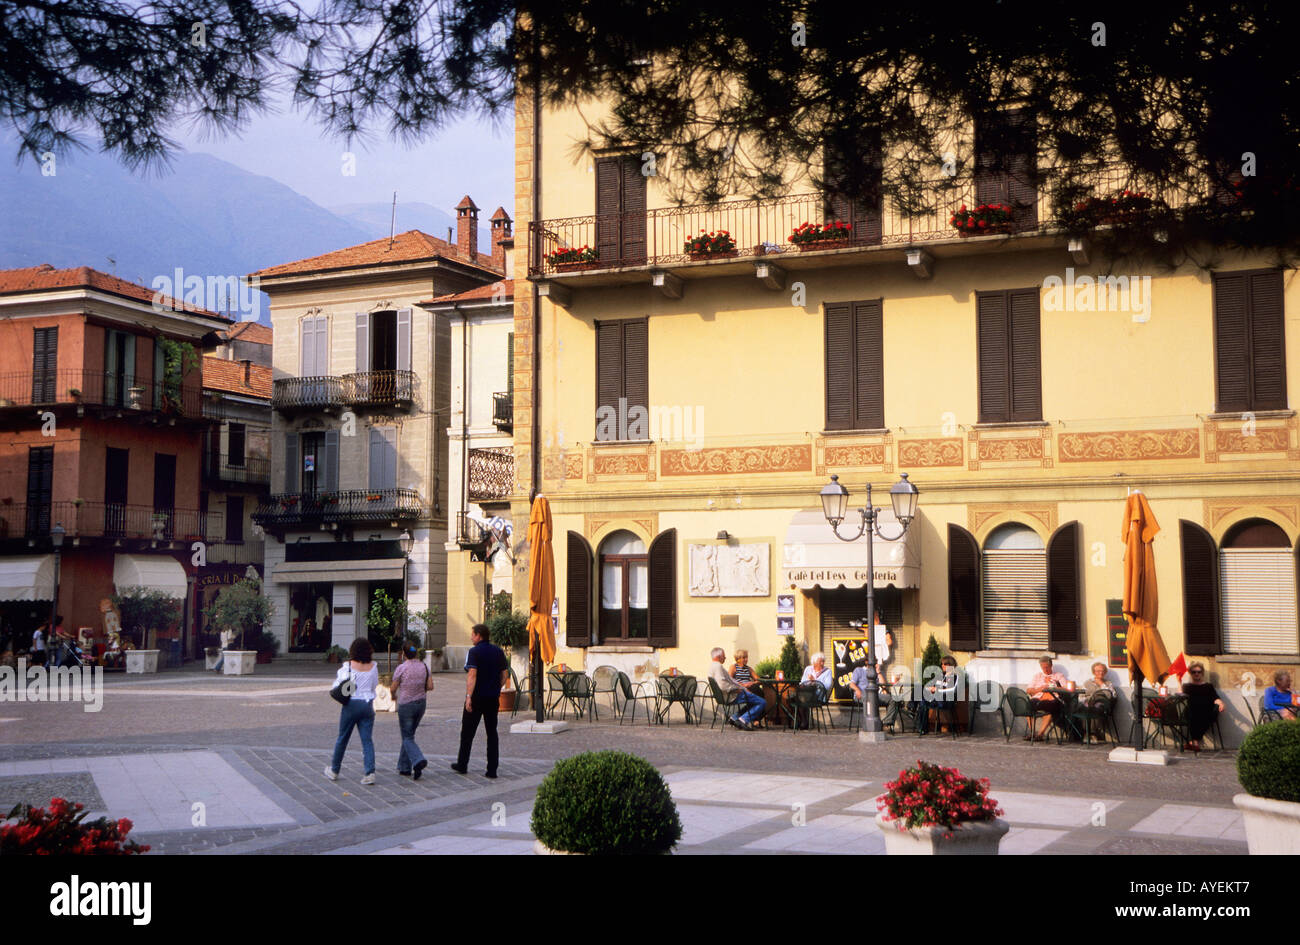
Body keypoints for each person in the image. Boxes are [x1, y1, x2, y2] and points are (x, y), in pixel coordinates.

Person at [451, 623, 508, 778]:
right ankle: (492, 769)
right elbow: (505, 674)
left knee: (467, 732)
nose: (471, 637)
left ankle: (462, 763)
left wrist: (468, 696)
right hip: (492, 697)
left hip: (477, 697)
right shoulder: (498, 651)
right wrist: (496, 687)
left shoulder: (474, 652)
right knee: (492, 733)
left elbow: (472, 675)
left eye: (472, 634)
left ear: (478, 635)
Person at [325, 638, 380, 785]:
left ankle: (334, 770)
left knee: (343, 738)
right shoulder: (373, 667)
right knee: (367, 740)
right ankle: (370, 772)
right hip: (367, 704)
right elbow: (374, 685)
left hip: (351, 704)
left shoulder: (348, 666)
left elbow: (337, 685)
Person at [391, 644, 434, 779]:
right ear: (416, 653)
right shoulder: (424, 667)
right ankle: (404, 767)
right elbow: (430, 686)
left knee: (407, 737)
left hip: (406, 705)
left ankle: (418, 760)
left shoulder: (401, 668)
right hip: (421, 704)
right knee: (409, 735)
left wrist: (393, 696)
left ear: (404, 654)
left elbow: (393, 688)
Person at [709, 647, 767, 730]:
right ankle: (743, 719)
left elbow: (730, 680)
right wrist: (737, 689)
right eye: (724, 656)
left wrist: (742, 687)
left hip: (727, 695)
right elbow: (723, 685)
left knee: (754, 699)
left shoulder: (713, 666)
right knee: (762, 702)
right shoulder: (719, 667)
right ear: (719, 656)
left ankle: (735, 717)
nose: (725, 658)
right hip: (731, 695)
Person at [1181, 663, 1225, 752]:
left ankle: (1194, 742)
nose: (1196, 674)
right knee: (1193, 713)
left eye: (1199, 672)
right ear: (1190, 673)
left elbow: (1215, 697)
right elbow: (1180, 695)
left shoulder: (1208, 686)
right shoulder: (1187, 686)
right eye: (1194, 672)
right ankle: (1194, 742)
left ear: (1202, 673)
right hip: (1192, 711)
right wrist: (1179, 681)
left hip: (1207, 711)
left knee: (1201, 713)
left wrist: (1221, 703)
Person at [1026, 654, 1067, 741]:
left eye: (1047, 667)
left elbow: (1066, 688)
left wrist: (1054, 688)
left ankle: (1040, 734)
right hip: (1038, 698)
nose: (1045, 669)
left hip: (1052, 699)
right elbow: (1029, 690)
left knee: (1049, 708)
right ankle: (1032, 733)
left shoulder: (1058, 675)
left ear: (1051, 665)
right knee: (1029, 705)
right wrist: (1039, 689)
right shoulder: (1037, 676)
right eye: (1043, 667)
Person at [917, 656, 959, 734]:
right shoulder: (940, 676)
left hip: (947, 701)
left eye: (945, 664)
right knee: (921, 698)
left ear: (951, 665)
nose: (942, 666)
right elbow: (930, 685)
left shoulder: (955, 677)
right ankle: (922, 729)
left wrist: (937, 690)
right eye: (942, 664)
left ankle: (920, 725)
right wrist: (929, 688)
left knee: (924, 701)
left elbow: (953, 690)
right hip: (936, 699)